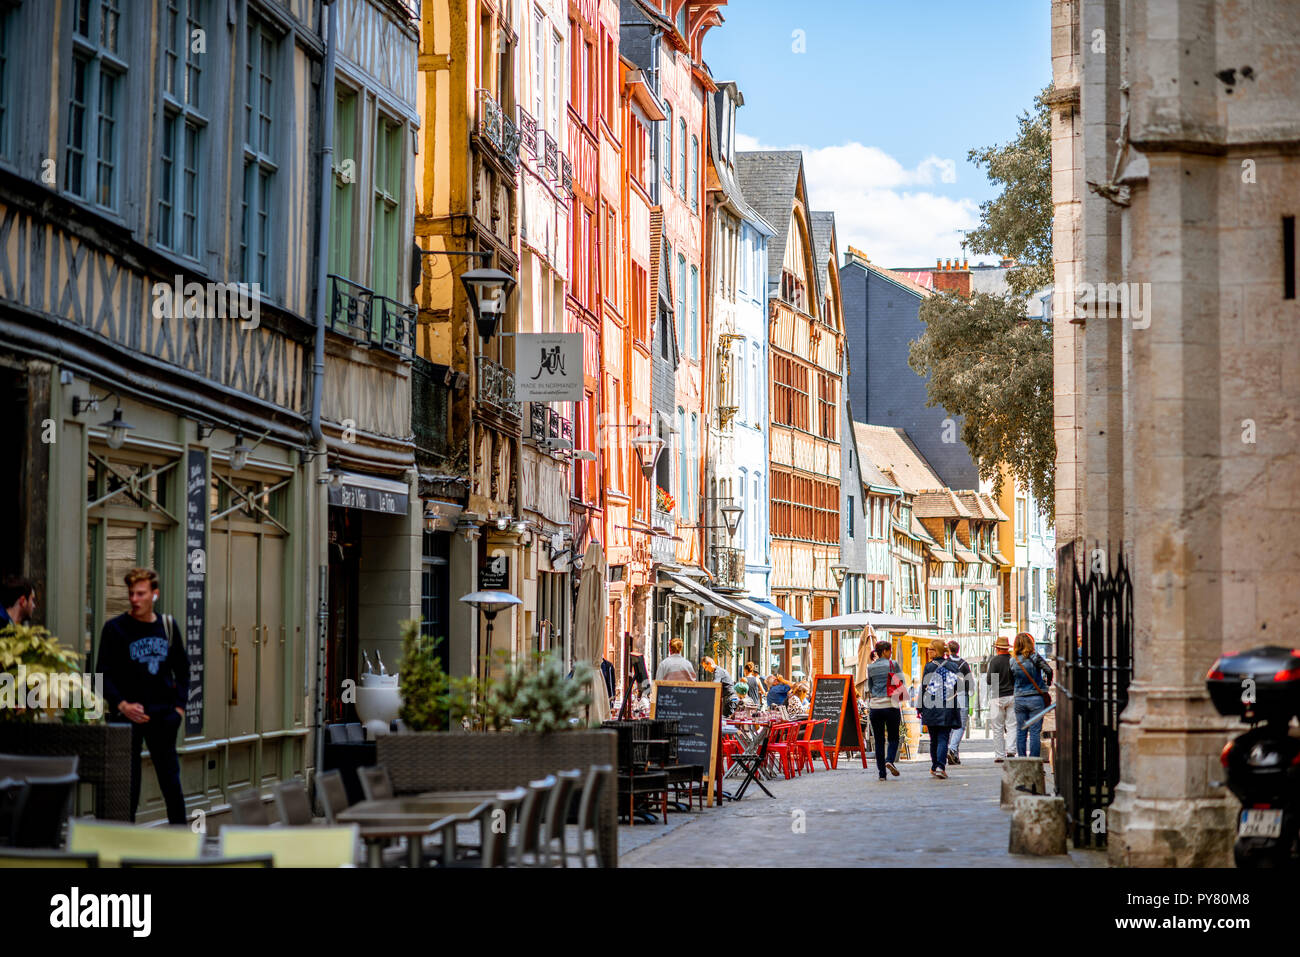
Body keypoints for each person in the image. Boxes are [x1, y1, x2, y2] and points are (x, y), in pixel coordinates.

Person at [95, 567, 189, 824]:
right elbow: (101, 675)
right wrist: (122, 705)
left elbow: (182, 672)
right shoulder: (115, 629)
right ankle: (128, 842)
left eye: (140, 593)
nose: (134, 599)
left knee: (171, 784)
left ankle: (182, 844)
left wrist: (178, 710)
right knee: (128, 785)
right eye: (131, 593)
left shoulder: (167, 627)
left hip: (162, 717)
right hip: (126, 719)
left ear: (154, 595)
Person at [918, 638, 963, 779]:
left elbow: (924, 688)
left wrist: (920, 707)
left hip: (931, 706)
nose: (928, 651)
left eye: (930, 649)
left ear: (936, 651)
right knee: (943, 737)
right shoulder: (953, 666)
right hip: (947, 706)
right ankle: (939, 766)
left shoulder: (929, 667)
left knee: (934, 739)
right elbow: (958, 687)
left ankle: (934, 765)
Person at [865, 639, 904, 780]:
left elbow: (870, 687)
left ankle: (882, 774)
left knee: (879, 740)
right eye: (890, 650)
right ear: (885, 651)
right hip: (891, 705)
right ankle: (889, 760)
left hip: (875, 707)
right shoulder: (893, 664)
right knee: (893, 738)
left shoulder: (870, 667)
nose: (891, 653)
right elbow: (901, 683)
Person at [1012, 632, 1054, 758]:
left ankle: (1022, 761)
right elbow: (1049, 670)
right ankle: (1035, 761)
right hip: (1036, 698)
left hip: (1019, 698)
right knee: (1035, 732)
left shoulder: (1012, 660)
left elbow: (1011, 679)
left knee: (1021, 731)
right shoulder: (1035, 657)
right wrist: (1047, 681)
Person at [987, 636, 1017, 761]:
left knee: (997, 728)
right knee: (1012, 725)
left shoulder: (994, 661)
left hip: (997, 697)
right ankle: (1011, 750)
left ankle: (999, 755)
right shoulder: (1012, 660)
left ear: (997, 648)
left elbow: (990, 680)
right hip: (1012, 695)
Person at [945, 639, 974, 765]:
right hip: (962, 695)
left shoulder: (945, 663)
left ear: (948, 650)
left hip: (948, 697)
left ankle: (955, 756)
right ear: (958, 650)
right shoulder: (964, 664)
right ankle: (952, 749)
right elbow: (970, 682)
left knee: (951, 726)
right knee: (960, 726)